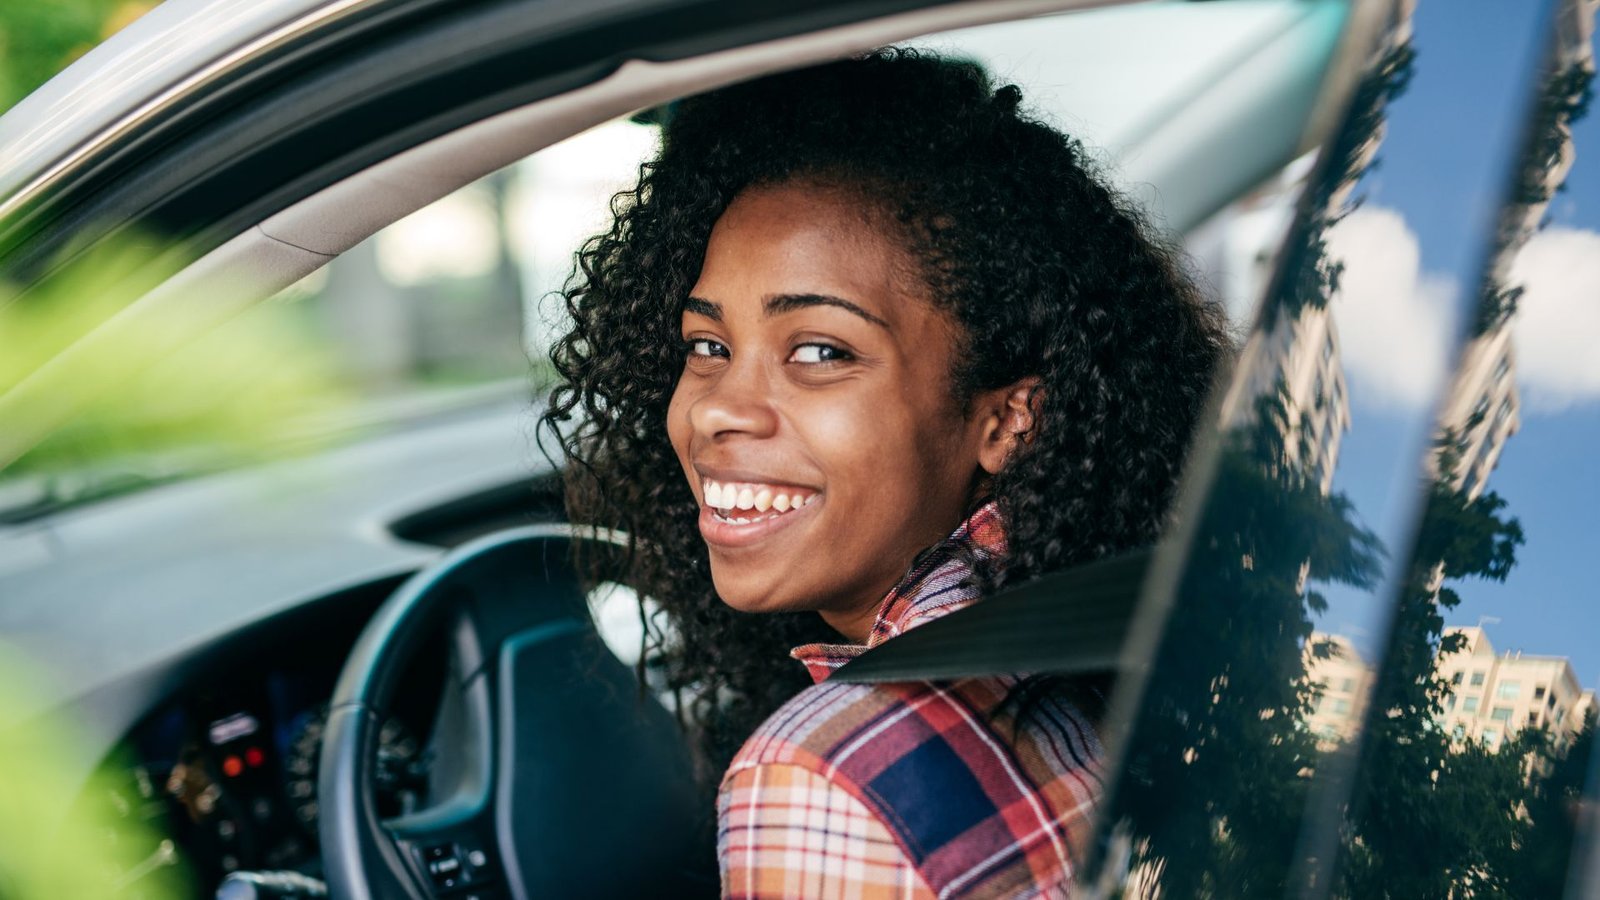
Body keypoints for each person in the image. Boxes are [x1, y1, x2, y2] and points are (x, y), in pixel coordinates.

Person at [543, 49, 1229, 898]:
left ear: (1006, 420)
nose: (720, 409)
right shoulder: (1138, 637)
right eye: (708, 347)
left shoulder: (817, 781)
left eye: (822, 351)